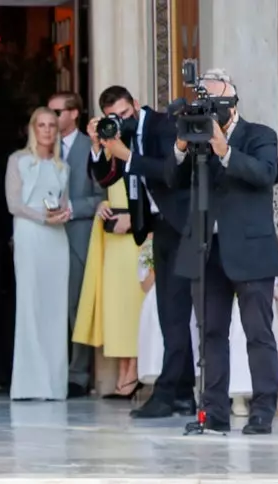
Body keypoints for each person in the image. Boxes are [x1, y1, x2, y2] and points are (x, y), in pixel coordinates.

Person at [167, 70, 278, 435]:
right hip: (207, 247)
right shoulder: (195, 137)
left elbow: (266, 174)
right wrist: (182, 147)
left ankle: (263, 410)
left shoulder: (260, 135)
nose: (209, 111)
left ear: (232, 105)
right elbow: (171, 179)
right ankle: (213, 412)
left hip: (249, 250)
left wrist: (225, 150)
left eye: (215, 104)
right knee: (211, 333)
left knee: (257, 332)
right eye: (205, 104)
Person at [87, 85, 193, 419]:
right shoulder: (121, 135)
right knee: (167, 312)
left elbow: (169, 172)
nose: (121, 122)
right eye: (112, 118)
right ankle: (183, 394)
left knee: (173, 313)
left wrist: (126, 154)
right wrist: (99, 147)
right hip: (158, 230)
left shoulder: (164, 126)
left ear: (136, 104)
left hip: (183, 226)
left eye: (124, 114)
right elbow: (106, 177)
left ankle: (166, 395)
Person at [7, 107, 72, 401]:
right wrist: (44, 219)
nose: (47, 130)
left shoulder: (63, 167)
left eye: (51, 126)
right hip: (30, 234)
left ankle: (55, 385)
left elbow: (64, 203)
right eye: (41, 125)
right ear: (33, 128)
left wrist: (62, 216)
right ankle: (30, 384)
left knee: (55, 309)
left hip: (57, 240)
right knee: (30, 306)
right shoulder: (18, 161)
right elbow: (14, 203)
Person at [74, 175, 145, 400]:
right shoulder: (110, 160)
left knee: (135, 304)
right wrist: (103, 209)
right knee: (117, 306)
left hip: (137, 238)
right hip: (113, 240)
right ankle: (122, 372)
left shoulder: (141, 154)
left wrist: (135, 218)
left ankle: (133, 372)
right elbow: (104, 195)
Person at [51, 92, 103, 397]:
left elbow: (102, 197)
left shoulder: (89, 147)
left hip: (78, 236)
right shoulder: (41, 148)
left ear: (74, 114)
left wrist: (73, 207)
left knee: (75, 308)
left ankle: (78, 375)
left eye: (57, 111)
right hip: (45, 239)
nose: (51, 117)